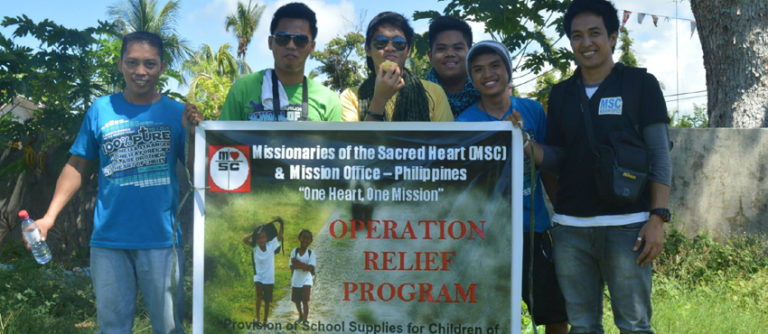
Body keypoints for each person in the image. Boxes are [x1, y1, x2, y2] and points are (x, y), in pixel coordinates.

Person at [29, 31, 203, 333]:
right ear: (120, 64)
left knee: (170, 328)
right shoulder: (101, 109)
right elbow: (77, 164)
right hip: (109, 242)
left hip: (162, 242)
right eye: (133, 62)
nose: (141, 71)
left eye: (150, 64)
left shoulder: (177, 113)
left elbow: (196, 173)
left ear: (161, 67)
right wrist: (49, 217)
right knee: (112, 328)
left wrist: (193, 136)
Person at [521, 0, 672, 333]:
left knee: (634, 324)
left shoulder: (640, 84)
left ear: (613, 36)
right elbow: (560, 158)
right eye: (577, 36)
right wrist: (529, 149)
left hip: (628, 227)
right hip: (571, 230)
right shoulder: (560, 95)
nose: (586, 43)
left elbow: (659, 153)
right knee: (583, 325)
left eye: (594, 33)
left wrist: (657, 217)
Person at [455, 40, 568, 334]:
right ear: (471, 77)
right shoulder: (464, 123)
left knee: (554, 312)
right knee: (493, 317)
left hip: (536, 230)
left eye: (495, 65)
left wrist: (561, 218)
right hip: (488, 236)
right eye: (478, 69)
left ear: (508, 69)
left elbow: (549, 169)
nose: (487, 74)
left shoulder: (532, 111)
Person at [218, 2, 342, 121]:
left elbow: (337, 142)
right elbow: (220, 141)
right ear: (270, 43)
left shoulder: (329, 100)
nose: (291, 46)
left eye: (300, 40)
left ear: (312, 47)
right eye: (283, 38)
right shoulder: (242, 90)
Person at [341, 11, 453, 122]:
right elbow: (355, 140)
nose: (390, 48)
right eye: (381, 42)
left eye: (399, 43)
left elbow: (446, 139)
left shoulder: (434, 93)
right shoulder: (350, 96)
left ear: (408, 50)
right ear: (367, 49)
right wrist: (379, 101)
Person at [425, 16, 480, 117]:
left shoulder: (485, 92)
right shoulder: (419, 95)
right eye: (441, 49)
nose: (450, 54)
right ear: (430, 56)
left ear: (470, 54)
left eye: (458, 48)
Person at [241, 217, 284, 325]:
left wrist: (281, 224)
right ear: (256, 239)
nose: (261, 240)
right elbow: (244, 239)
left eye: (263, 237)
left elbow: (279, 237)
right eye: (259, 238)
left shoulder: (271, 246)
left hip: (269, 277)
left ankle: (265, 319)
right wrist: (255, 232)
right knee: (258, 296)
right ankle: (257, 318)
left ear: (267, 238)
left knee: (267, 299)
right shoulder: (255, 247)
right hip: (259, 276)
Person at [289, 229, 316, 325]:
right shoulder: (294, 251)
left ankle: (305, 320)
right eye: (303, 238)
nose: (305, 240)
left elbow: (310, 268)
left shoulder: (311, 253)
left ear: (310, 241)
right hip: (296, 279)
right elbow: (292, 266)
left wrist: (298, 263)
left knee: (305, 300)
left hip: (306, 280)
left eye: (308, 239)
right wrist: (303, 266)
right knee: (297, 300)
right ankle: (300, 315)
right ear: (299, 238)